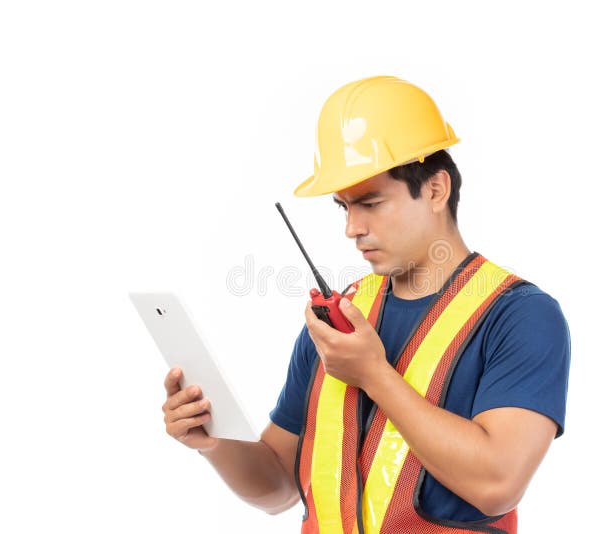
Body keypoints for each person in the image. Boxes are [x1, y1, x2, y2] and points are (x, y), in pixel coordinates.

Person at [161, 76, 570, 533]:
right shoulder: (339, 322)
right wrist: (213, 442)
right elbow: (277, 485)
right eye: (343, 207)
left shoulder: (519, 316)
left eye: (371, 203)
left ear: (436, 190)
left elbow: (498, 482)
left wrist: (374, 374)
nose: (352, 228)